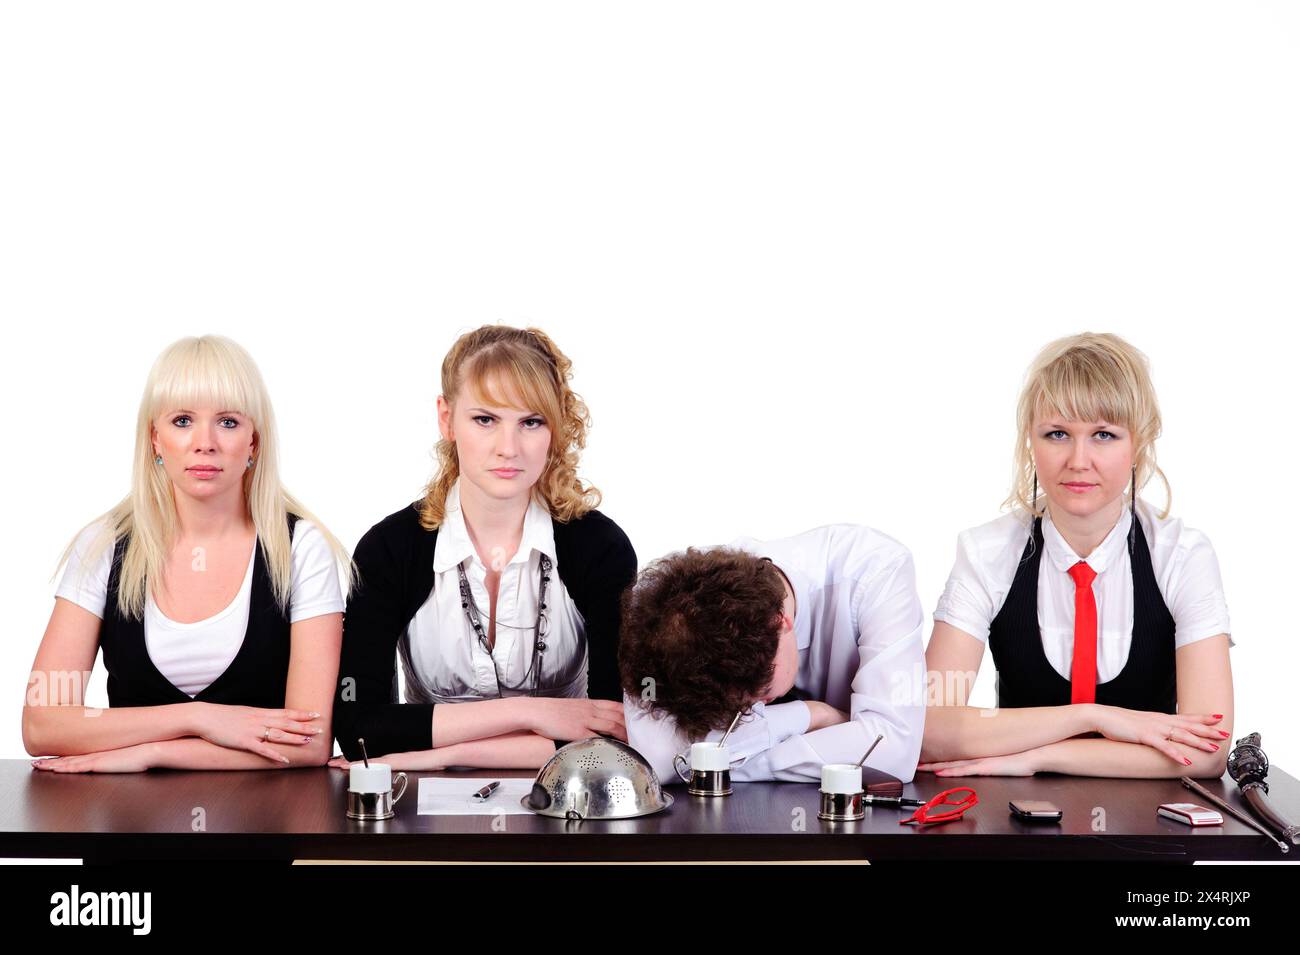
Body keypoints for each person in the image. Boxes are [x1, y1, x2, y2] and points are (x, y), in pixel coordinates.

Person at [25, 335, 351, 772]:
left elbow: (309, 742)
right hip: (129, 812)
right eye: (182, 421)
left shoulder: (301, 549)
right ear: (155, 439)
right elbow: (42, 725)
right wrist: (199, 718)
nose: (205, 442)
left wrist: (154, 752)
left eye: (228, 422)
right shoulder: (101, 546)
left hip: (268, 812)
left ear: (254, 442)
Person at [920, 332, 1234, 780]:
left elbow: (1208, 753)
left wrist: (1038, 757)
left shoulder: (1182, 556)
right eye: (1057, 434)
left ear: (1138, 444)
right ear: (1030, 442)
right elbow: (929, 729)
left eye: (1104, 435)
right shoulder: (986, 552)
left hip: (1151, 817)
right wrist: (1093, 717)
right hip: (1017, 813)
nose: (1078, 460)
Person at [328, 325, 635, 771]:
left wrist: (448, 755)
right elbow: (359, 728)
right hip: (421, 803)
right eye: (485, 420)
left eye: (531, 422)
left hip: (566, 795)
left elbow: (616, 732)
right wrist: (529, 712)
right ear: (446, 418)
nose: (508, 448)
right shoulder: (389, 549)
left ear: (554, 428)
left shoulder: (600, 547)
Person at [620, 526, 927, 784]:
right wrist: (810, 716)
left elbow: (891, 751)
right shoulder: (663, 612)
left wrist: (717, 763)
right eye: (734, 708)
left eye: (762, 691)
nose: (753, 709)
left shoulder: (876, 571)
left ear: (781, 621)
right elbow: (657, 758)